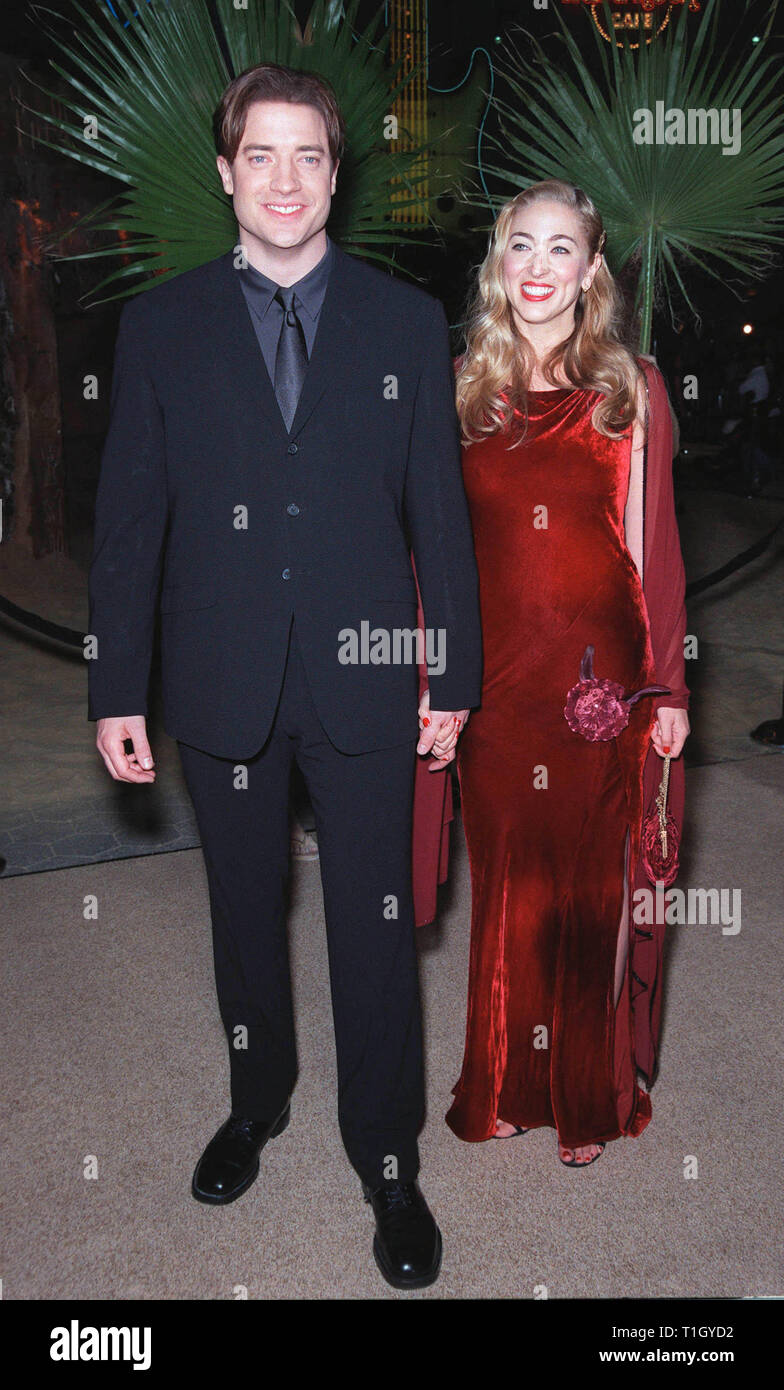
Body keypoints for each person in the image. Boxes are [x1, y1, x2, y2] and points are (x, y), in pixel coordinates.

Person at [87, 63, 482, 1289]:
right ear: (225, 172)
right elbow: (130, 522)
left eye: (308, 153)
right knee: (244, 914)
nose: (285, 178)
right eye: (259, 154)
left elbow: (438, 513)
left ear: (335, 171)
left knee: (375, 927)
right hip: (221, 674)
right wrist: (115, 686)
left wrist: (453, 668)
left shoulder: (404, 322)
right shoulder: (161, 326)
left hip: (368, 674)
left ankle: (387, 1159)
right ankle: (256, 1099)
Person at [443, 180, 690, 1166]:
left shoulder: (630, 387)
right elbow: (434, 550)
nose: (538, 266)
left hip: (601, 678)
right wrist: (434, 679)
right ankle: (503, 1080)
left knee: (590, 884)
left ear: (590, 270)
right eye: (521, 245)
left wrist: (668, 688)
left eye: (560, 249)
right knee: (510, 880)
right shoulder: (461, 387)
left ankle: (587, 1092)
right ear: (498, 263)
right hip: (501, 680)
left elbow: (652, 545)